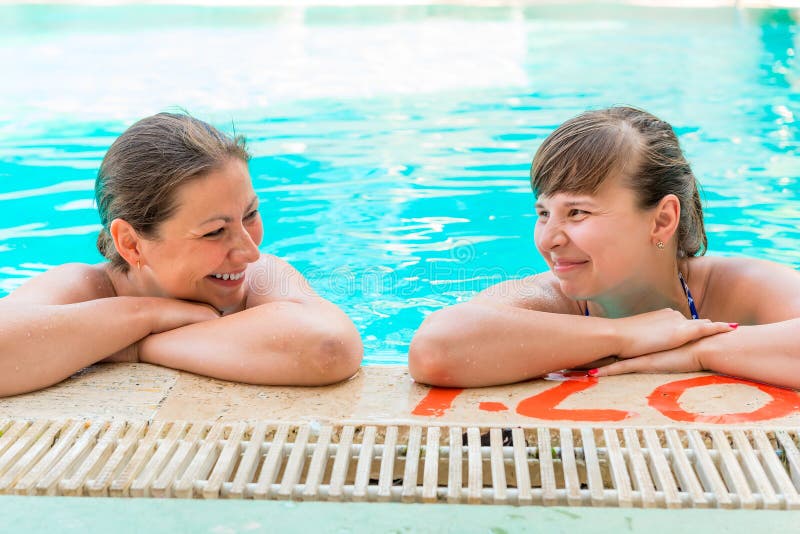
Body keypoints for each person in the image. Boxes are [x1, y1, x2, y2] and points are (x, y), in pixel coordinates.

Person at [409, 106, 800, 390]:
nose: (549, 239)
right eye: (544, 213)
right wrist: (624, 336)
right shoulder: (548, 297)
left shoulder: (737, 287)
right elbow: (434, 349)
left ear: (662, 220)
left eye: (577, 212)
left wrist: (699, 352)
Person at [0, 113, 362, 397]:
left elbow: (329, 347)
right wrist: (149, 313)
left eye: (250, 214)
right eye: (215, 232)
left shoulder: (260, 278)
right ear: (131, 244)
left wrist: (137, 347)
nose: (250, 252)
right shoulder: (86, 287)